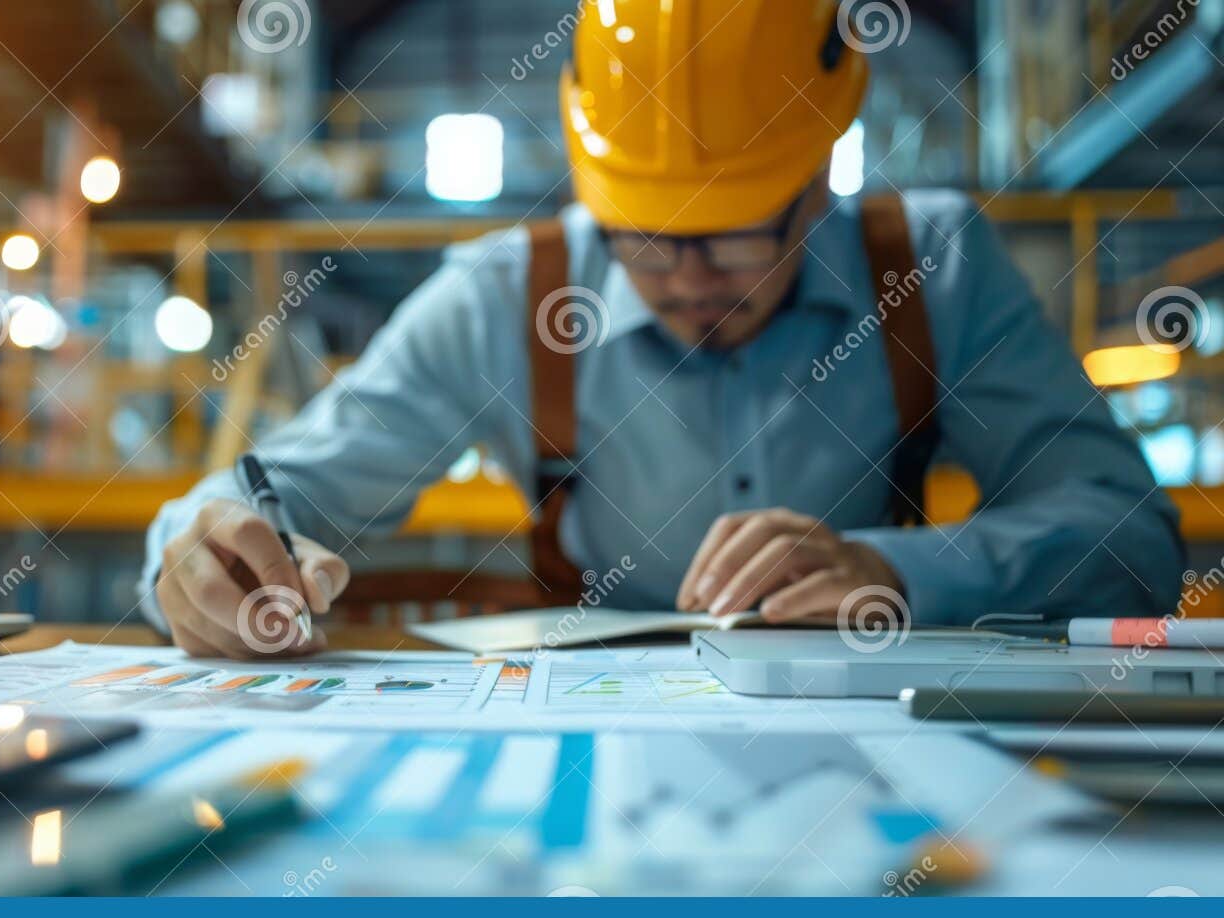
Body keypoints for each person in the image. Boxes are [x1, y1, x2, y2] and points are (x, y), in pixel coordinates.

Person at [141, 0, 1181, 659]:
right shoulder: (507, 295)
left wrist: (900, 572)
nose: (683, 279)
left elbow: (1128, 539)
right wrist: (194, 560)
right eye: (641, 238)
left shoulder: (933, 270)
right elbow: (269, 496)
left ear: (816, 181)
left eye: (727, 240)